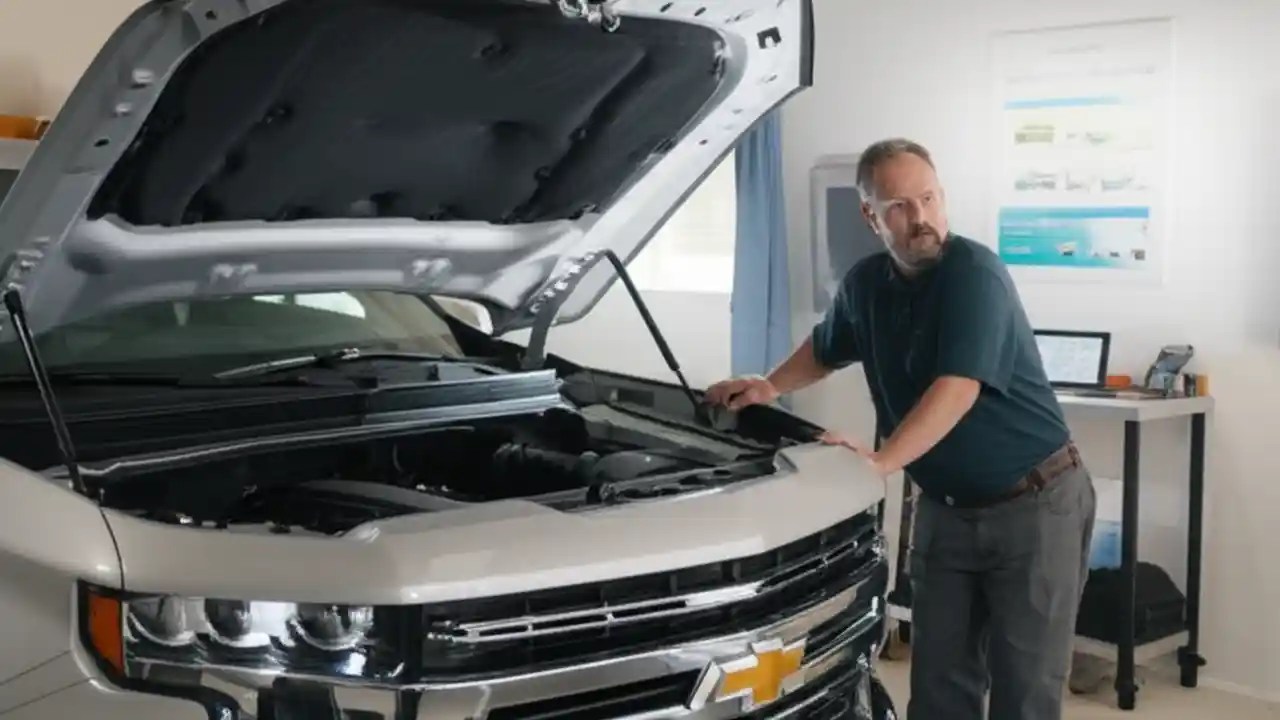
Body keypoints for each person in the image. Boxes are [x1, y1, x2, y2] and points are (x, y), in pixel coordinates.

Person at [705, 138, 1096, 720]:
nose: (920, 218)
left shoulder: (974, 274)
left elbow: (957, 388)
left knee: (1026, 690)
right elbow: (826, 348)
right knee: (938, 685)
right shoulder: (865, 285)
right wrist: (770, 385)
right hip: (945, 510)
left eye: (929, 199)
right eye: (899, 207)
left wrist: (879, 463)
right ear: (871, 216)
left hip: (1036, 505)